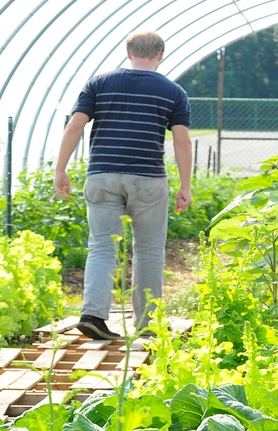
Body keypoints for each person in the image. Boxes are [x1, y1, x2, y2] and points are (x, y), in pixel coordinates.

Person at [53, 31, 193, 341]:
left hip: (102, 175)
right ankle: (146, 322)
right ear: (161, 54)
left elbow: (76, 125)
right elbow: (181, 140)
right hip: (148, 179)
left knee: (102, 245)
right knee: (149, 250)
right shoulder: (173, 91)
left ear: (128, 52)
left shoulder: (98, 83)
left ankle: (93, 315)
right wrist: (186, 185)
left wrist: (60, 169)